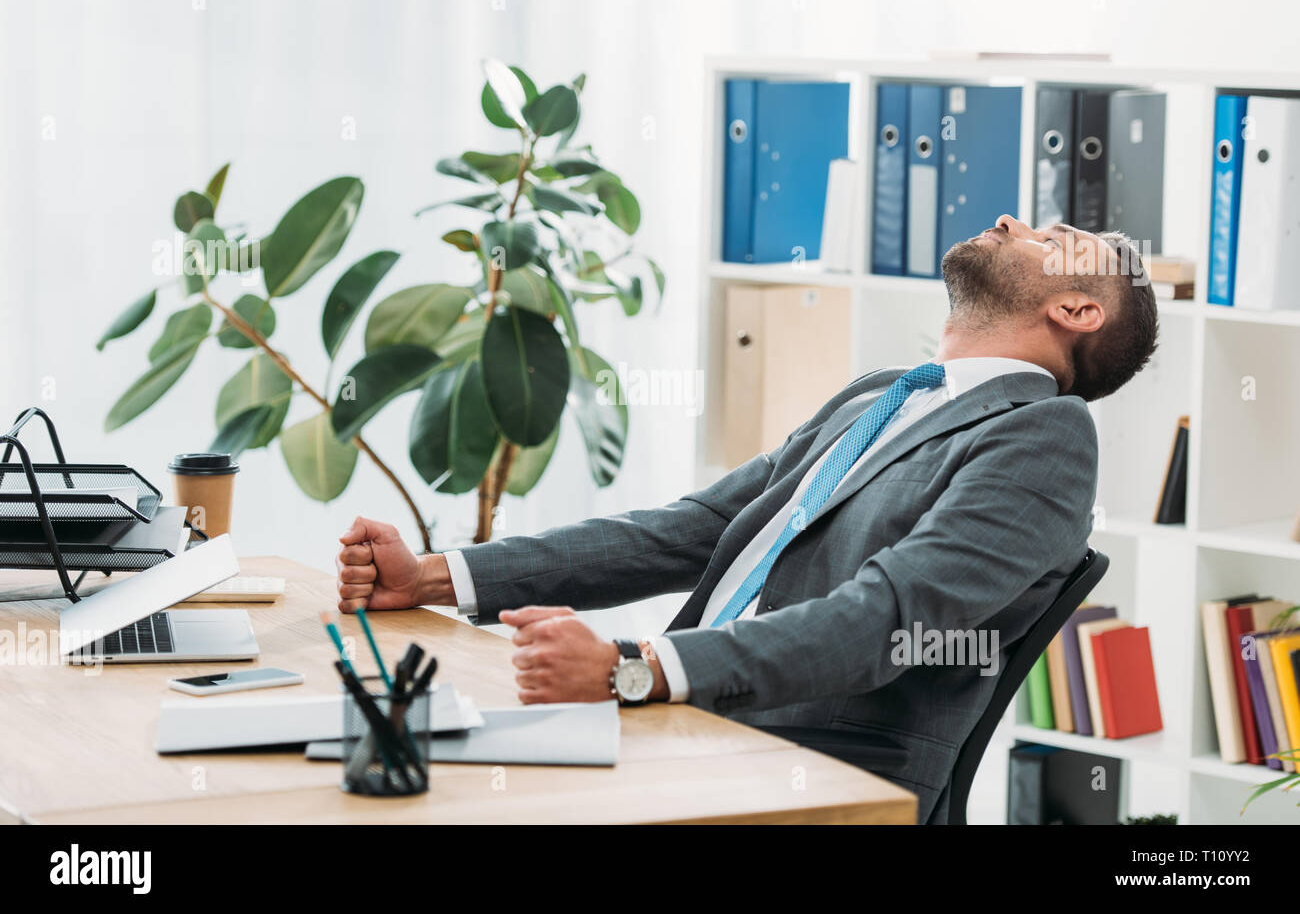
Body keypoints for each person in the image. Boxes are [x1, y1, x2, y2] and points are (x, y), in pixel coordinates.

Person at [335, 214, 1158, 822]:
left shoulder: (1042, 434)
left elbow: (883, 621)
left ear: (1078, 310)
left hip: (813, 776)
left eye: (1050, 239)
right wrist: (435, 575)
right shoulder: (882, 395)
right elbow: (692, 529)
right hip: (692, 731)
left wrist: (635, 666)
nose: (1012, 222)